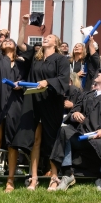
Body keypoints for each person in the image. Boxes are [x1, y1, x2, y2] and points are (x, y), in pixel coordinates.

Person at [52, 69, 101, 192]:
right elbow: (73, 112)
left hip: (100, 139)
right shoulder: (86, 95)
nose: (99, 74)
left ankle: (100, 178)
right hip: (82, 136)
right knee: (64, 131)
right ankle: (68, 175)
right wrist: (75, 113)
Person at [0, 23, 33, 193]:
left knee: (12, 144)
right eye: (5, 42)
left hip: (15, 104)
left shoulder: (22, 64)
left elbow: (29, 79)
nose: (8, 42)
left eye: (10, 42)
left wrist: (22, 86)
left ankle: (10, 180)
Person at [22, 26, 70, 190]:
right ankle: (34, 178)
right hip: (35, 101)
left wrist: (48, 82)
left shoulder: (61, 59)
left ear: (55, 43)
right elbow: (31, 78)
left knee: (51, 139)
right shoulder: (37, 59)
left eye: (50, 37)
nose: (46, 38)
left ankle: (54, 176)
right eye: (45, 37)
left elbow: (63, 79)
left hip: (51, 102)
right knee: (35, 140)